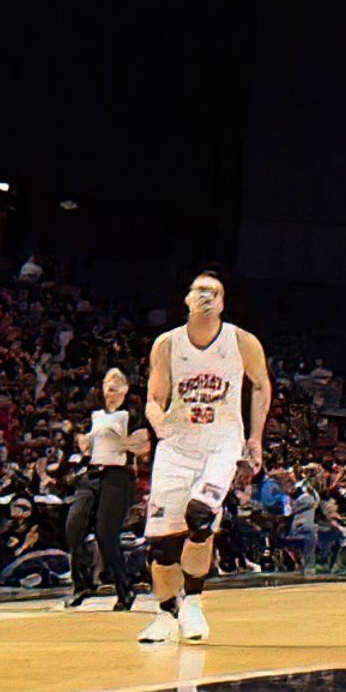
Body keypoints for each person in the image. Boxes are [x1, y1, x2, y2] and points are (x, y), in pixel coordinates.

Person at [138, 272, 271, 646]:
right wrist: (157, 421)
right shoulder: (168, 344)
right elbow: (154, 397)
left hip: (221, 444)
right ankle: (166, 613)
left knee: (200, 518)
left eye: (214, 292)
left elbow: (261, 386)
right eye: (200, 290)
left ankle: (194, 602)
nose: (207, 296)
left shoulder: (241, 341)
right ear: (187, 299)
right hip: (177, 446)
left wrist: (255, 439)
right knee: (162, 546)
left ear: (223, 303)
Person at [67, 367, 147, 610]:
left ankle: (125, 589)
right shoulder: (94, 415)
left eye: (114, 389)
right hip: (93, 473)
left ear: (124, 390)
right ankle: (82, 584)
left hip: (118, 475)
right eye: (107, 388)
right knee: (74, 525)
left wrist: (121, 440)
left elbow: (143, 445)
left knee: (106, 533)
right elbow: (83, 442)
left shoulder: (132, 415)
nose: (110, 394)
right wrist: (83, 442)